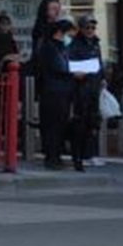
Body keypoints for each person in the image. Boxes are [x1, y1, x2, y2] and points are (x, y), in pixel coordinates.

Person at [39, 17, 77, 170]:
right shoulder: (51, 47)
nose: (70, 38)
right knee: (53, 125)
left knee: (60, 124)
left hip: (62, 90)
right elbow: (60, 67)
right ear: (60, 33)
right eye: (68, 34)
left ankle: (56, 156)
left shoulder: (60, 47)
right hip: (54, 91)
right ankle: (52, 158)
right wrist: (74, 72)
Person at [68, 16, 104, 169]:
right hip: (81, 88)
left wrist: (102, 78)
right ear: (81, 29)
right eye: (87, 28)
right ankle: (83, 154)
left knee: (94, 122)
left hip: (94, 86)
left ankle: (92, 153)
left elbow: (99, 62)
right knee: (82, 122)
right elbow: (71, 64)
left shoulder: (95, 43)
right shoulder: (75, 45)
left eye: (92, 28)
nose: (90, 30)